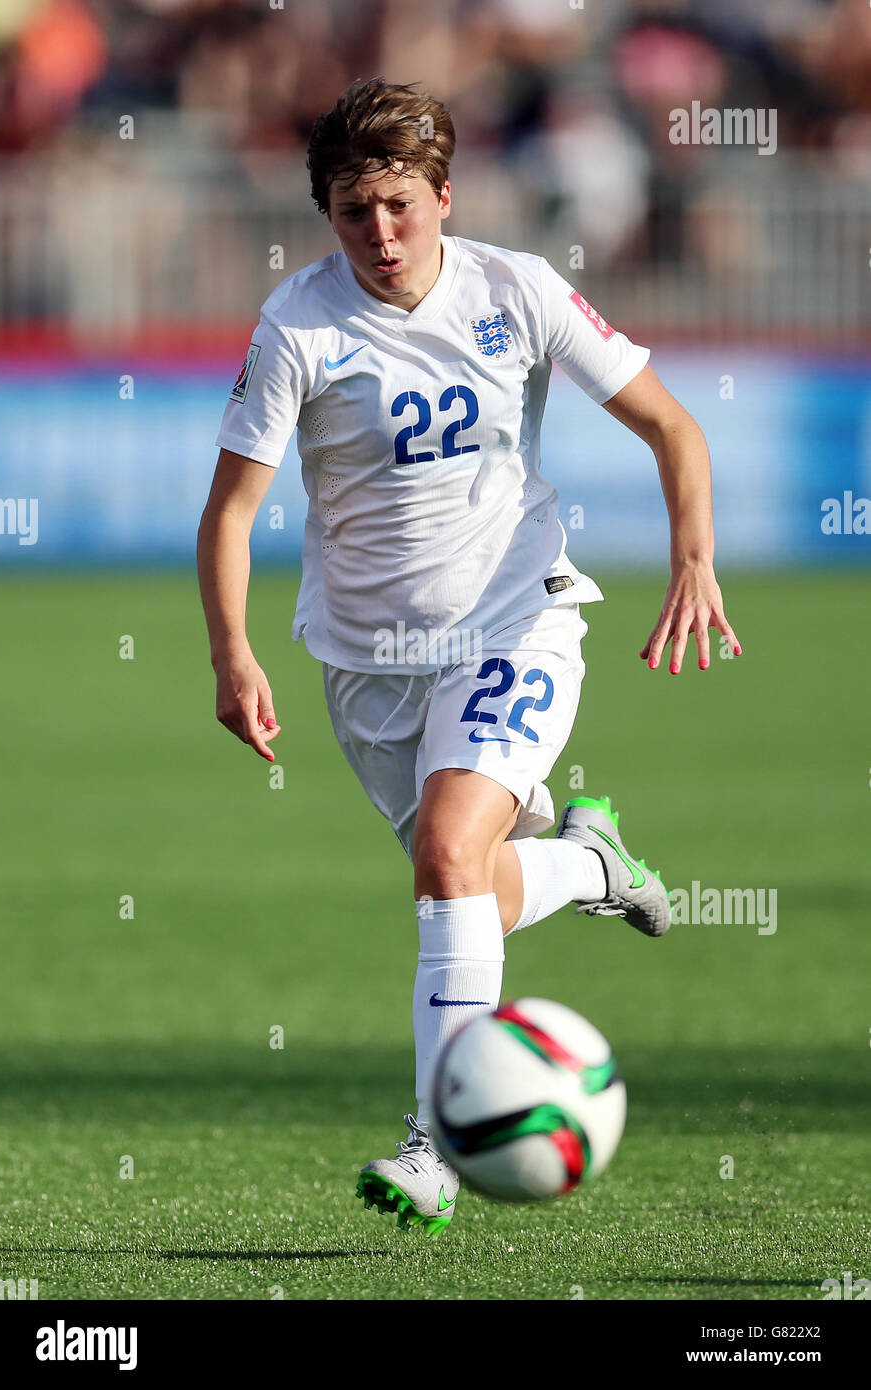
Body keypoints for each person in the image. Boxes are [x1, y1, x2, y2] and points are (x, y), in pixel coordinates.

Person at [197, 77, 741, 1237]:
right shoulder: (298, 324)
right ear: (329, 217)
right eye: (354, 213)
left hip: (515, 618)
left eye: (398, 205)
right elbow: (233, 511)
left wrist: (694, 560)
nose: (380, 236)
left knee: (449, 850)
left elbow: (671, 425)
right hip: (364, 663)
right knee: (469, 887)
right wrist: (231, 651)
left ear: (443, 196)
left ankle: (439, 1137)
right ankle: (593, 865)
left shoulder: (518, 288)